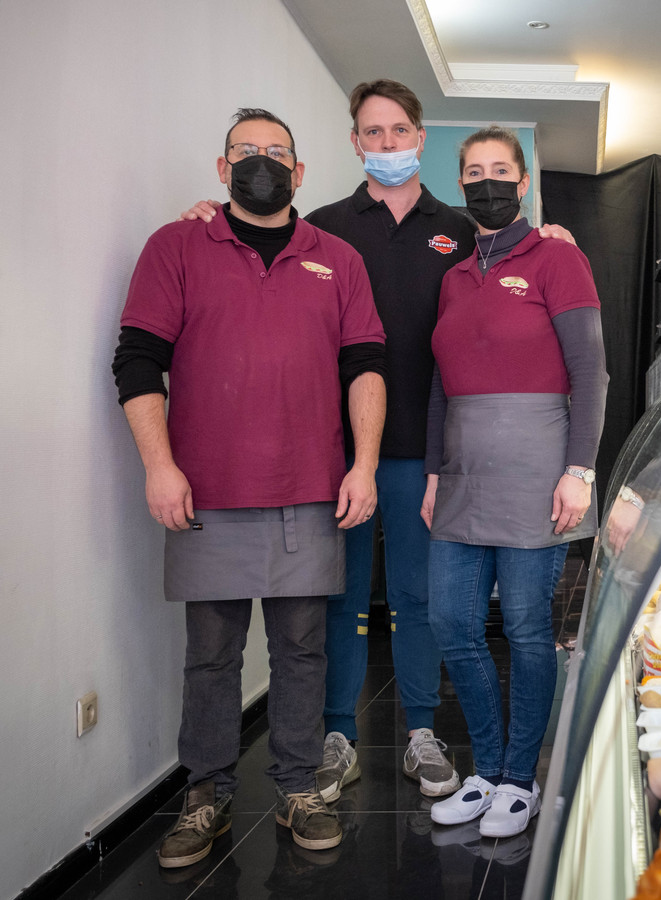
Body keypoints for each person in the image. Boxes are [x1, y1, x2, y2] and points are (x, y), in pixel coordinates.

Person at [180, 80, 576, 803]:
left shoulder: (463, 229)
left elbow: (529, 272)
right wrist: (209, 214)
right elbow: (249, 231)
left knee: (419, 596)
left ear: (422, 140)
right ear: (354, 142)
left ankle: (421, 731)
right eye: (373, 132)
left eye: (400, 131)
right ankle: (339, 733)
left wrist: (552, 234)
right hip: (338, 454)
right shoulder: (321, 229)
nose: (387, 143)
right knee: (337, 597)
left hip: (431, 454)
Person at [112, 108, 387, 866]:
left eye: (277, 153)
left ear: (300, 173)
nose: (261, 162)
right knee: (211, 656)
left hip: (310, 488)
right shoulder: (176, 246)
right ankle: (206, 796)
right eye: (246, 152)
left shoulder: (337, 259)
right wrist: (158, 464)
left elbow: (366, 364)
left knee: (302, 650)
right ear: (222, 165)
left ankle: (298, 787)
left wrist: (362, 464)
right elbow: (137, 359)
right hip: (206, 494)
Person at [422, 126, 607, 838]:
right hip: (463, 472)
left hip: (539, 466)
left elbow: (591, 372)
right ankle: (489, 769)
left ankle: (521, 777)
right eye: (475, 171)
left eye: (502, 170)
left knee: (529, 629)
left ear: (523, 182)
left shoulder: (558, 257)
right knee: (452, 623)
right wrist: (436, 473)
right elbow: (441, 385)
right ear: (461, 184)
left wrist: (579, 470)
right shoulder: (453, 277)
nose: (488, 182)